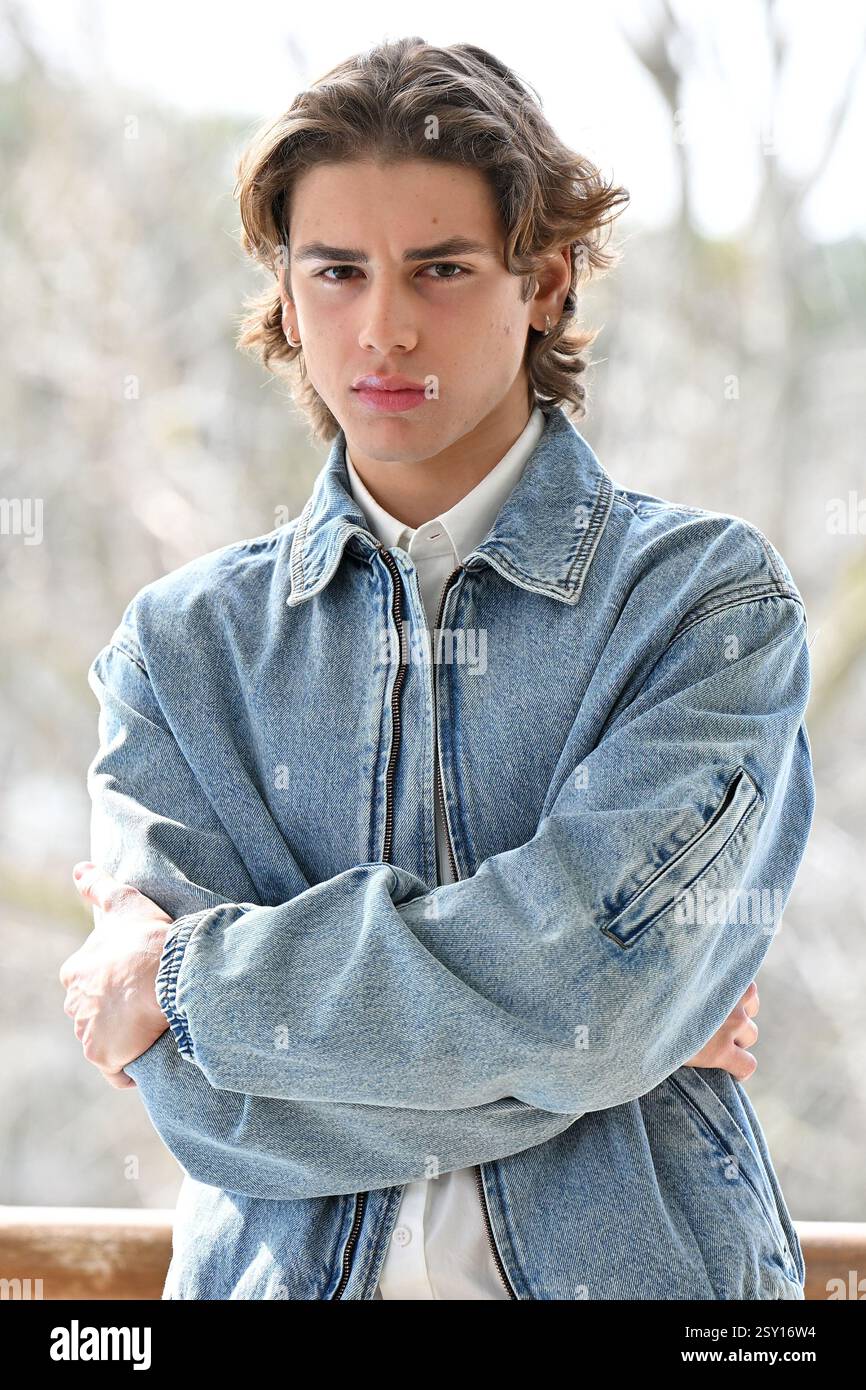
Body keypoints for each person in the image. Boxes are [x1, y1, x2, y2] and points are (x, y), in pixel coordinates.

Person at [60, 37, 813, 1300]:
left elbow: (596, 1002)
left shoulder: (702, 601)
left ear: (546, 282)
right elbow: (199, 1103)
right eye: (337, 271)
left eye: (442, 269)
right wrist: (591, 1047)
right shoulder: (181, 649)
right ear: (287, 295)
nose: (384, 325)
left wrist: (181, 978)